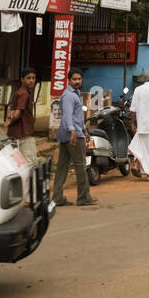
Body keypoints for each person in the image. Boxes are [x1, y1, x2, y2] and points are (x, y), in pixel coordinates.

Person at [53, 69, 96, 207]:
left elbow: (77, 117)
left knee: (62, 167)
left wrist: (84, 130)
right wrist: (73, 131)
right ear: (69, 80)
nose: (77, 81)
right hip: (73, 135)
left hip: (71, 133)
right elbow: (67, 116)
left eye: (79, 79)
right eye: (74, 79)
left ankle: (57, 198)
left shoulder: (74, 94)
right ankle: (83, 197)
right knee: (80, 166)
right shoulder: (69, 96)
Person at [6, 66, 38, 166]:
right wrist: (9, 122)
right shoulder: (24, 94)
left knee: (17, 163)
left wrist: (10, 118)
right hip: (23, 133)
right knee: (31, 163)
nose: (31, 81)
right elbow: (18, 113)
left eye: (33, 78)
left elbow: (10, 111)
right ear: (22, 80)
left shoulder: (19, 92)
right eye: (28, 78)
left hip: (17, 133)